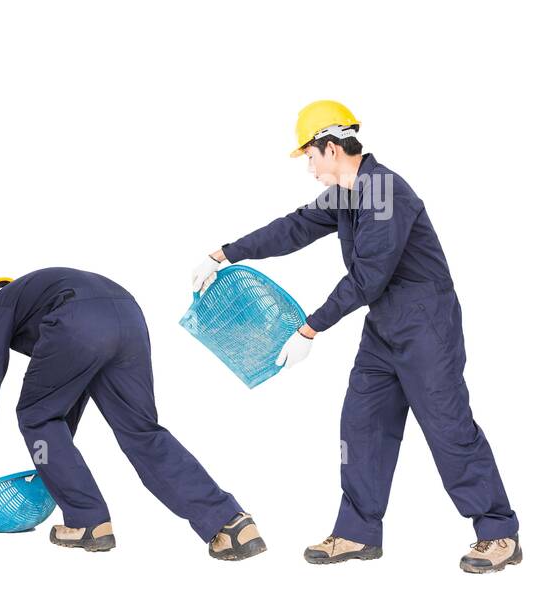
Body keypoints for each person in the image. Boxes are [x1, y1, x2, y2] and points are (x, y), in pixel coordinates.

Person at [193, 101, 521, 573]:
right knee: (362, 426)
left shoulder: (383, 190)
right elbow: (294, 228)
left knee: (449, 429)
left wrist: (311, 326)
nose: (308, 168)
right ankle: (357, 533)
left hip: (425, 325)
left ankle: (498, 532)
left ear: (331, 147)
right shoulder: (347, 193)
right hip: (384, 329)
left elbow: (369, 276)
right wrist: (226, 253)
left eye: (310, 157)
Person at [0, 268, 267, 561]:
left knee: (35, 416)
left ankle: (88, 521)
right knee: (142, 431)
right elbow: (67, 395)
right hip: (128, 316)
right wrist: (53, 465)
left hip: (76, 319)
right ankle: (230, 523)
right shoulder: (39, 291)